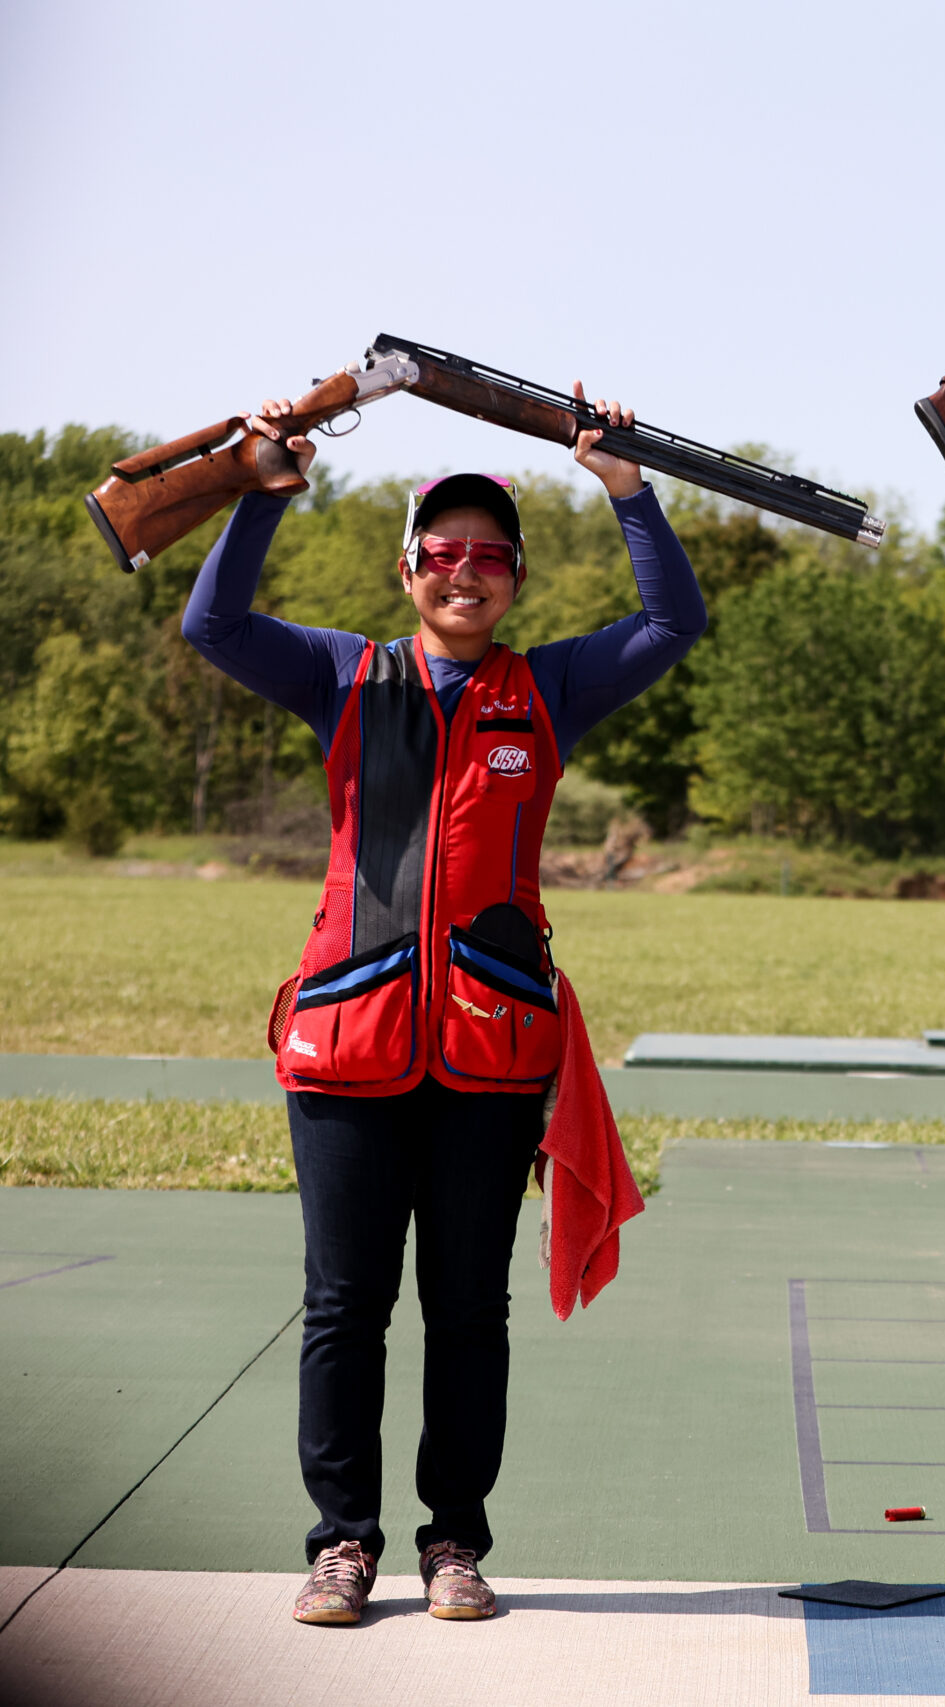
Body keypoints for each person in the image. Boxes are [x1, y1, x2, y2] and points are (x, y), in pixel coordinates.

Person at [181, 387, 705, 1626]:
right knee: (344, 1307)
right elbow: (213, 619)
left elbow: (673, 617)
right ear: (409, 566)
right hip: (349, 1046)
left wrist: (627, 488)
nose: (465, 573)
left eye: (488, 556)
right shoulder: (343, 674)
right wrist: (263, 493)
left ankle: (455, 1545)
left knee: (470, 1309)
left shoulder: (551, 689)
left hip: (491, 1047)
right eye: (444, 552)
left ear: (515, 577)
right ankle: (342, 1546)